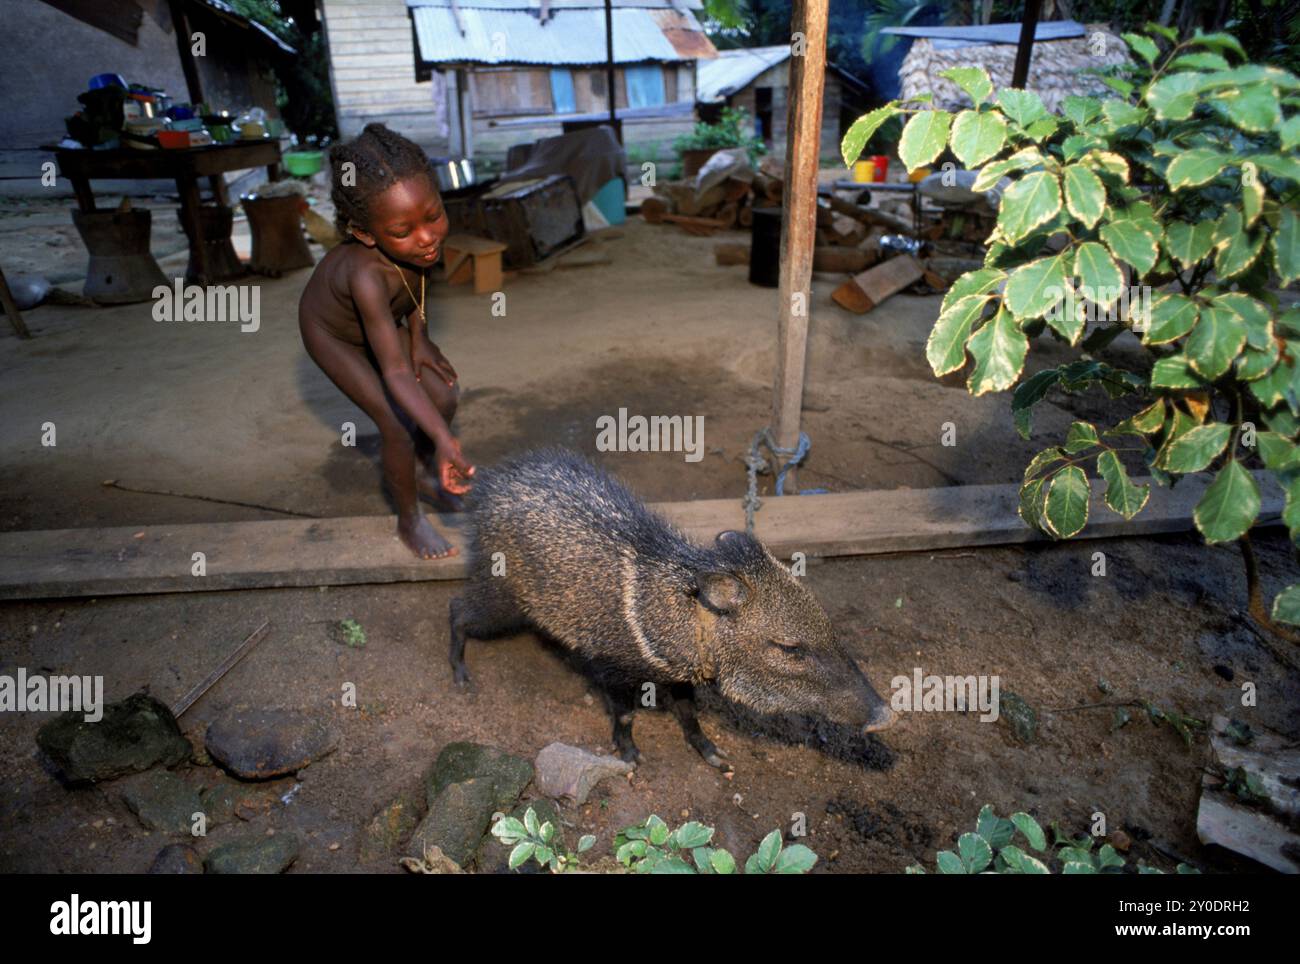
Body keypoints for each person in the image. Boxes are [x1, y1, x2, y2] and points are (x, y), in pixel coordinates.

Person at [298, 123, 473, 559]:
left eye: (433, 216)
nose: (427, 237)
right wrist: (446, 440)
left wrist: (421, 340)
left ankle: (427, 475)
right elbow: (393, 371)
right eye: (404, 230)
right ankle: (408, 519)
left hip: (381, 325)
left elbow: (416, 288)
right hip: (335, 336)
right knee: (397, 424)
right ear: (365, 233)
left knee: (443, 395)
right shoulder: (366, 276)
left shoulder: (416, 246)